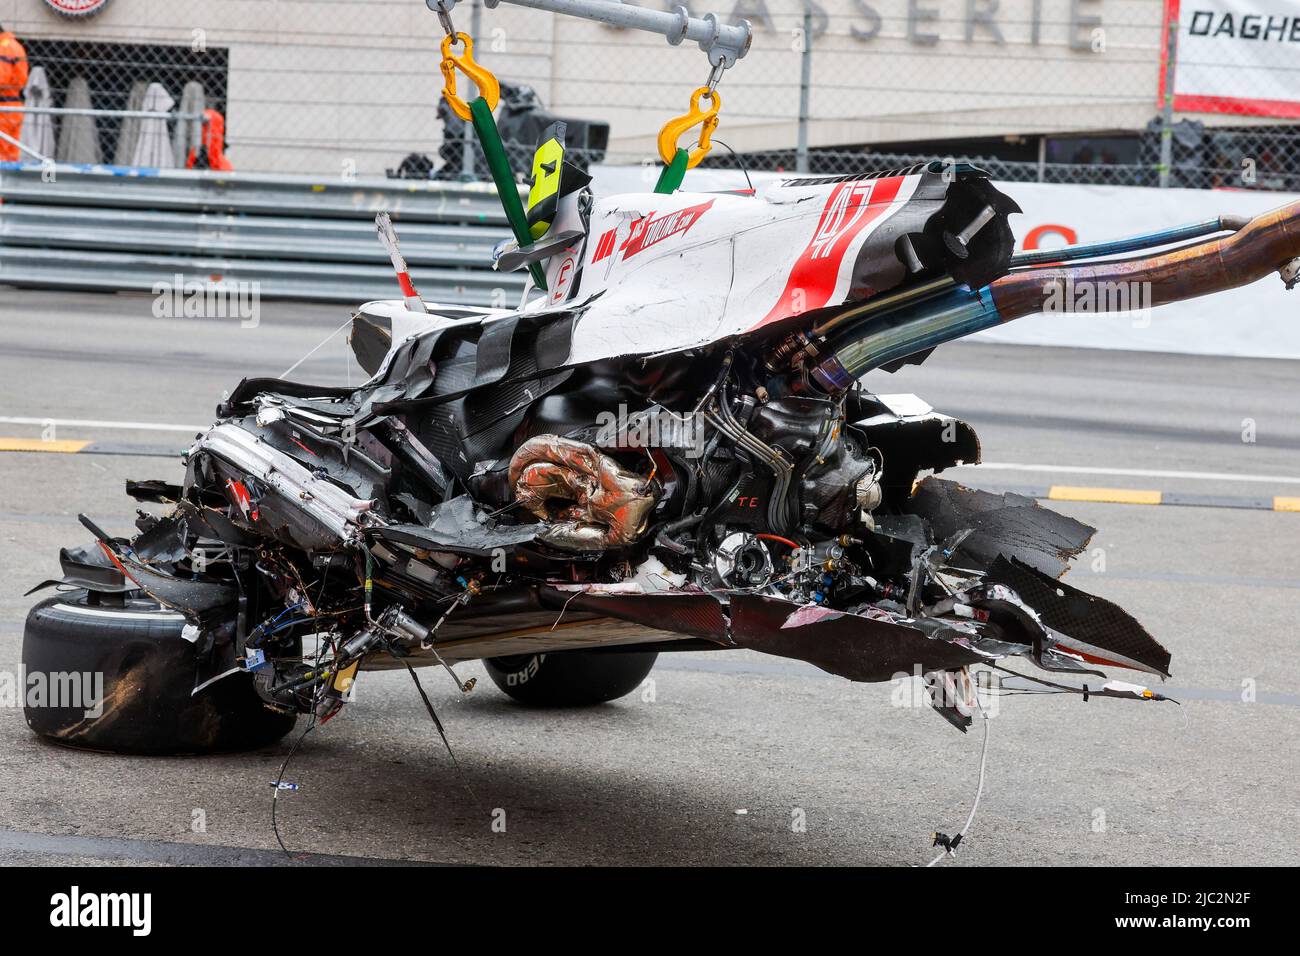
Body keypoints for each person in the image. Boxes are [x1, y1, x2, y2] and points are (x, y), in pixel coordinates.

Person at [0, 22, 29, 161]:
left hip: (3, 109)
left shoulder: (3, 48)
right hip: (13, 106)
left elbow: (1, 79)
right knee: (11, 154)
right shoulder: (15, 45)